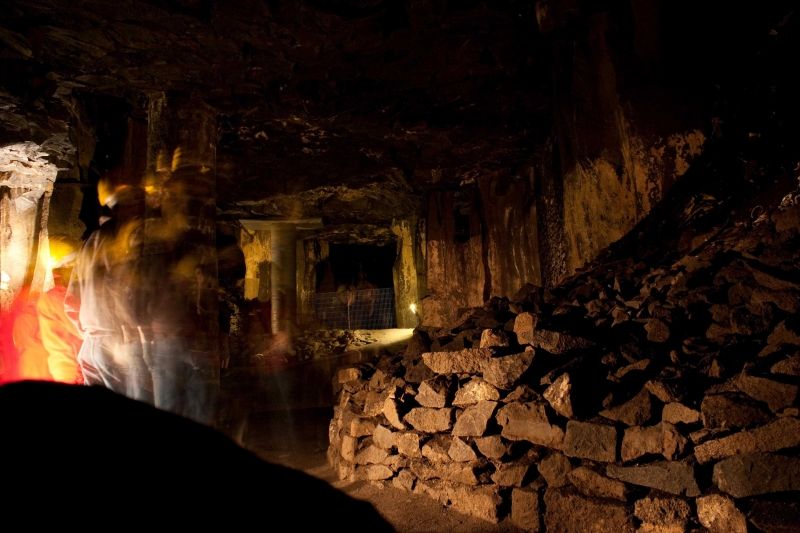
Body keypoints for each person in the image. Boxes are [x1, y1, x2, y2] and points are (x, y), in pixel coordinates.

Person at [37, 236, 83, 383]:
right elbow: (82, 329)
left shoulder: (51, 297)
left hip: (67, 368)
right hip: (72, 370)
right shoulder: (57, 297)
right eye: (73, 266)